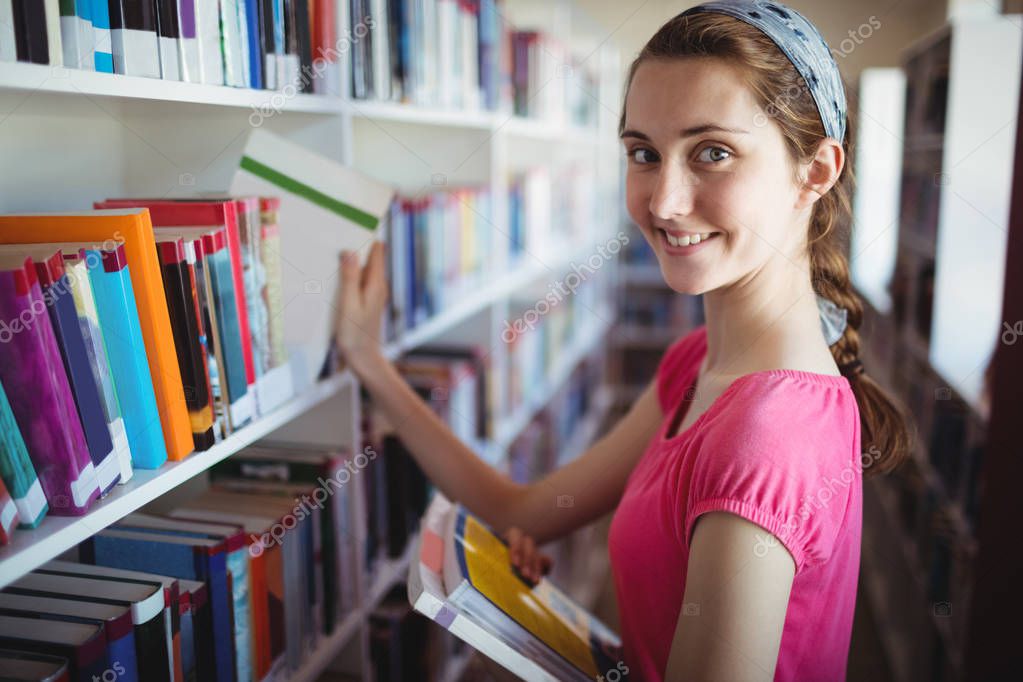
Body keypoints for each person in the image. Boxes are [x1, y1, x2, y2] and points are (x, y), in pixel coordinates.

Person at [334, 1, 912, 679]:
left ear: (814, 171)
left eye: (712, 153)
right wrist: (370, 361)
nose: (663, 201)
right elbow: (521, 510)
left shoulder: (767, 432)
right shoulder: (696, 364)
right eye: (643, 153)